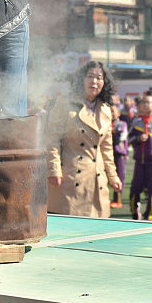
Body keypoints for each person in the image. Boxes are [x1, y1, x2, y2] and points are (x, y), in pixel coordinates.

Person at [46, 61, 123, 218]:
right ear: (81, 79)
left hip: (97, 179)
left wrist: (113, 176)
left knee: (96, 233)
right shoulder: (65, 103)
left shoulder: (105, 110)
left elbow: (106, 149)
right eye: (90, 76)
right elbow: (51, 138)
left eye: (99, 78)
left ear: (104, 82)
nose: (94, 81)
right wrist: (53, 169)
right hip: (70, 178)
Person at [126, 93, 152, 220]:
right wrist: (138, 138)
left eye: (148, 102)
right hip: (139, 162)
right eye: (143, 102)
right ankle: (134, 212)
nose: (144, 104)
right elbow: (129, 139)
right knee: (135, 188)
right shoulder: (137, 122)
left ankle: (150, 215)